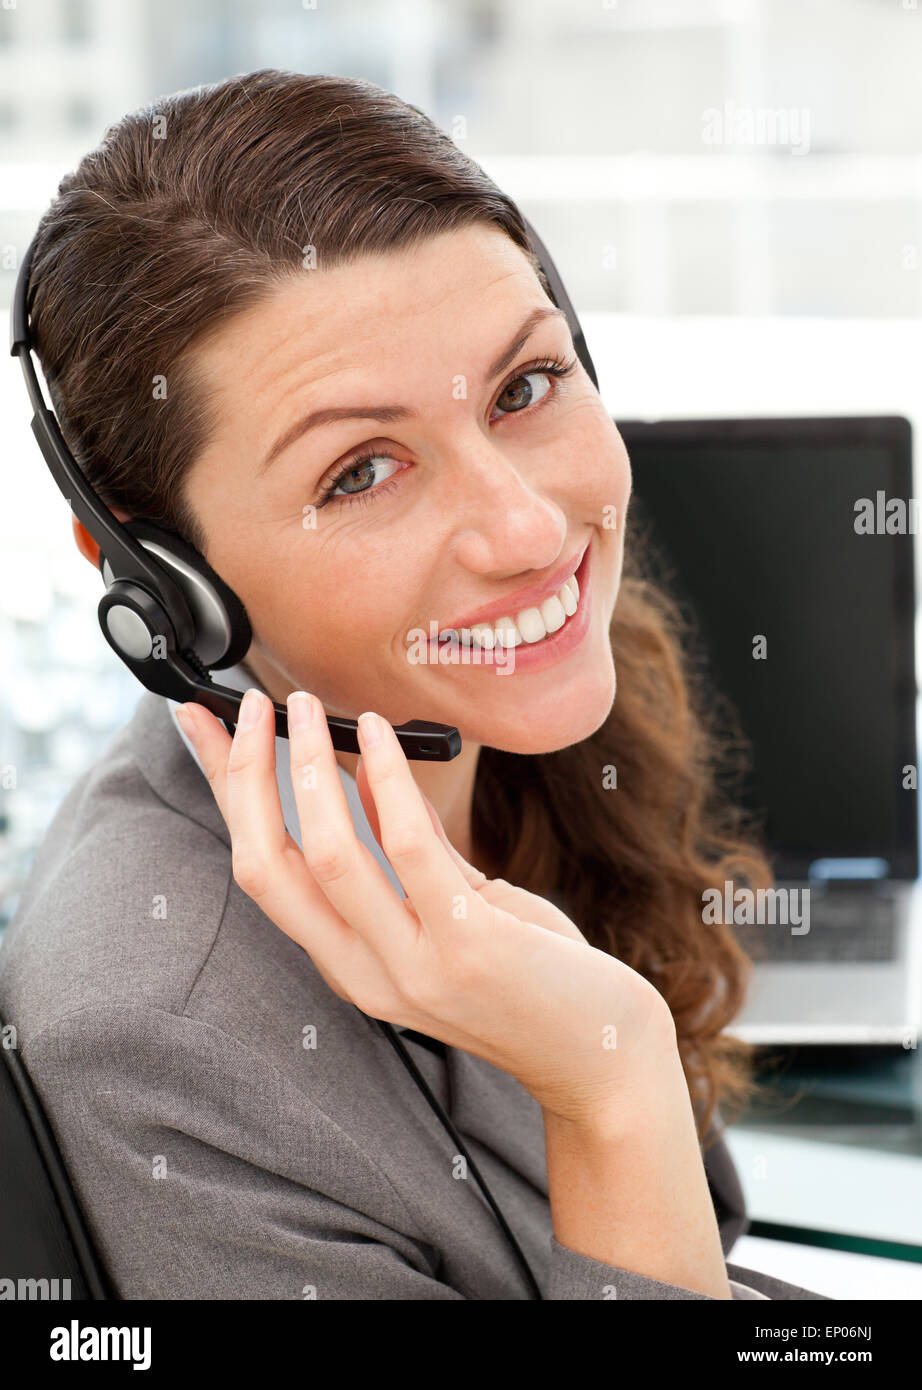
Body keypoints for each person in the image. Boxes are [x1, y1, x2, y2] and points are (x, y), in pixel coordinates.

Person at [0, 68, 830, 1300]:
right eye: (360, 472)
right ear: (156, 573)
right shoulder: (162, 1042)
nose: (527, 527)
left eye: (525, 386)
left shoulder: (485, 714)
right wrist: (609, 1085)